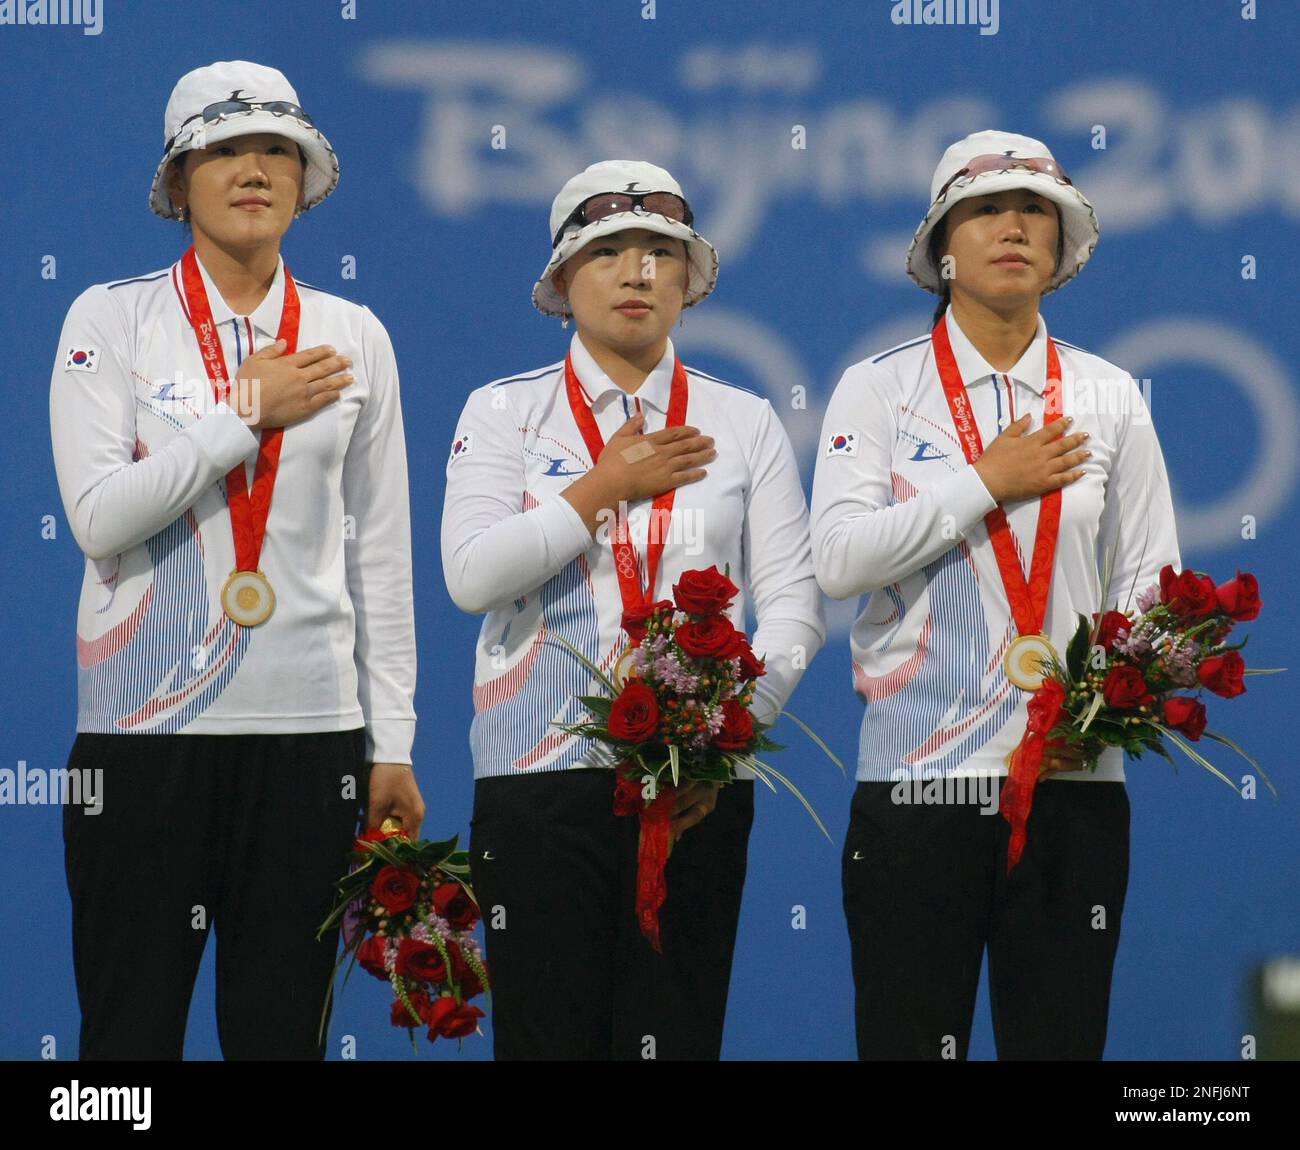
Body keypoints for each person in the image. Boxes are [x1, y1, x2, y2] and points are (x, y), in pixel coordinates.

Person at [49, 60, 424, 1060]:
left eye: (276, 150)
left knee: (280, 1039)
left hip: (312, 741)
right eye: (222, 149)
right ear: (177, 183)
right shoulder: (108, 319)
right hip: (142, 738)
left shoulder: (355, 337)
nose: (253, 169)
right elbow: (97, 519)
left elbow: (380, 556)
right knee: (125, 1043)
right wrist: (242, 414)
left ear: (307, 178)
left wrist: (391, 742)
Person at [441, 159, 825, 1060]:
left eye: (661, 252)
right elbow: (470, 576)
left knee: (676, 1043)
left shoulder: (745, 421)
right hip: (538, 785)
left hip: (696, 792)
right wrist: (600, 490)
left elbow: (796, 612)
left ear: (689, 283)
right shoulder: (504, 412)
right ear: (562, 282)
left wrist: (727, 738)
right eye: (607, 250)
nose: (637, 271)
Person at [810, 130, 1180, 1060]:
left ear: (1061, 252)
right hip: (914, 788)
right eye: (984, 210)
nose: (1013, 225)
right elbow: (840, 561)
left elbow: (1152, 584)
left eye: (1036, 213)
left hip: (1073, 785)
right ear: (942, 246)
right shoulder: (878, 389)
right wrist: (985, 480)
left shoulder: (1107, 396)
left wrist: (1110, 706)